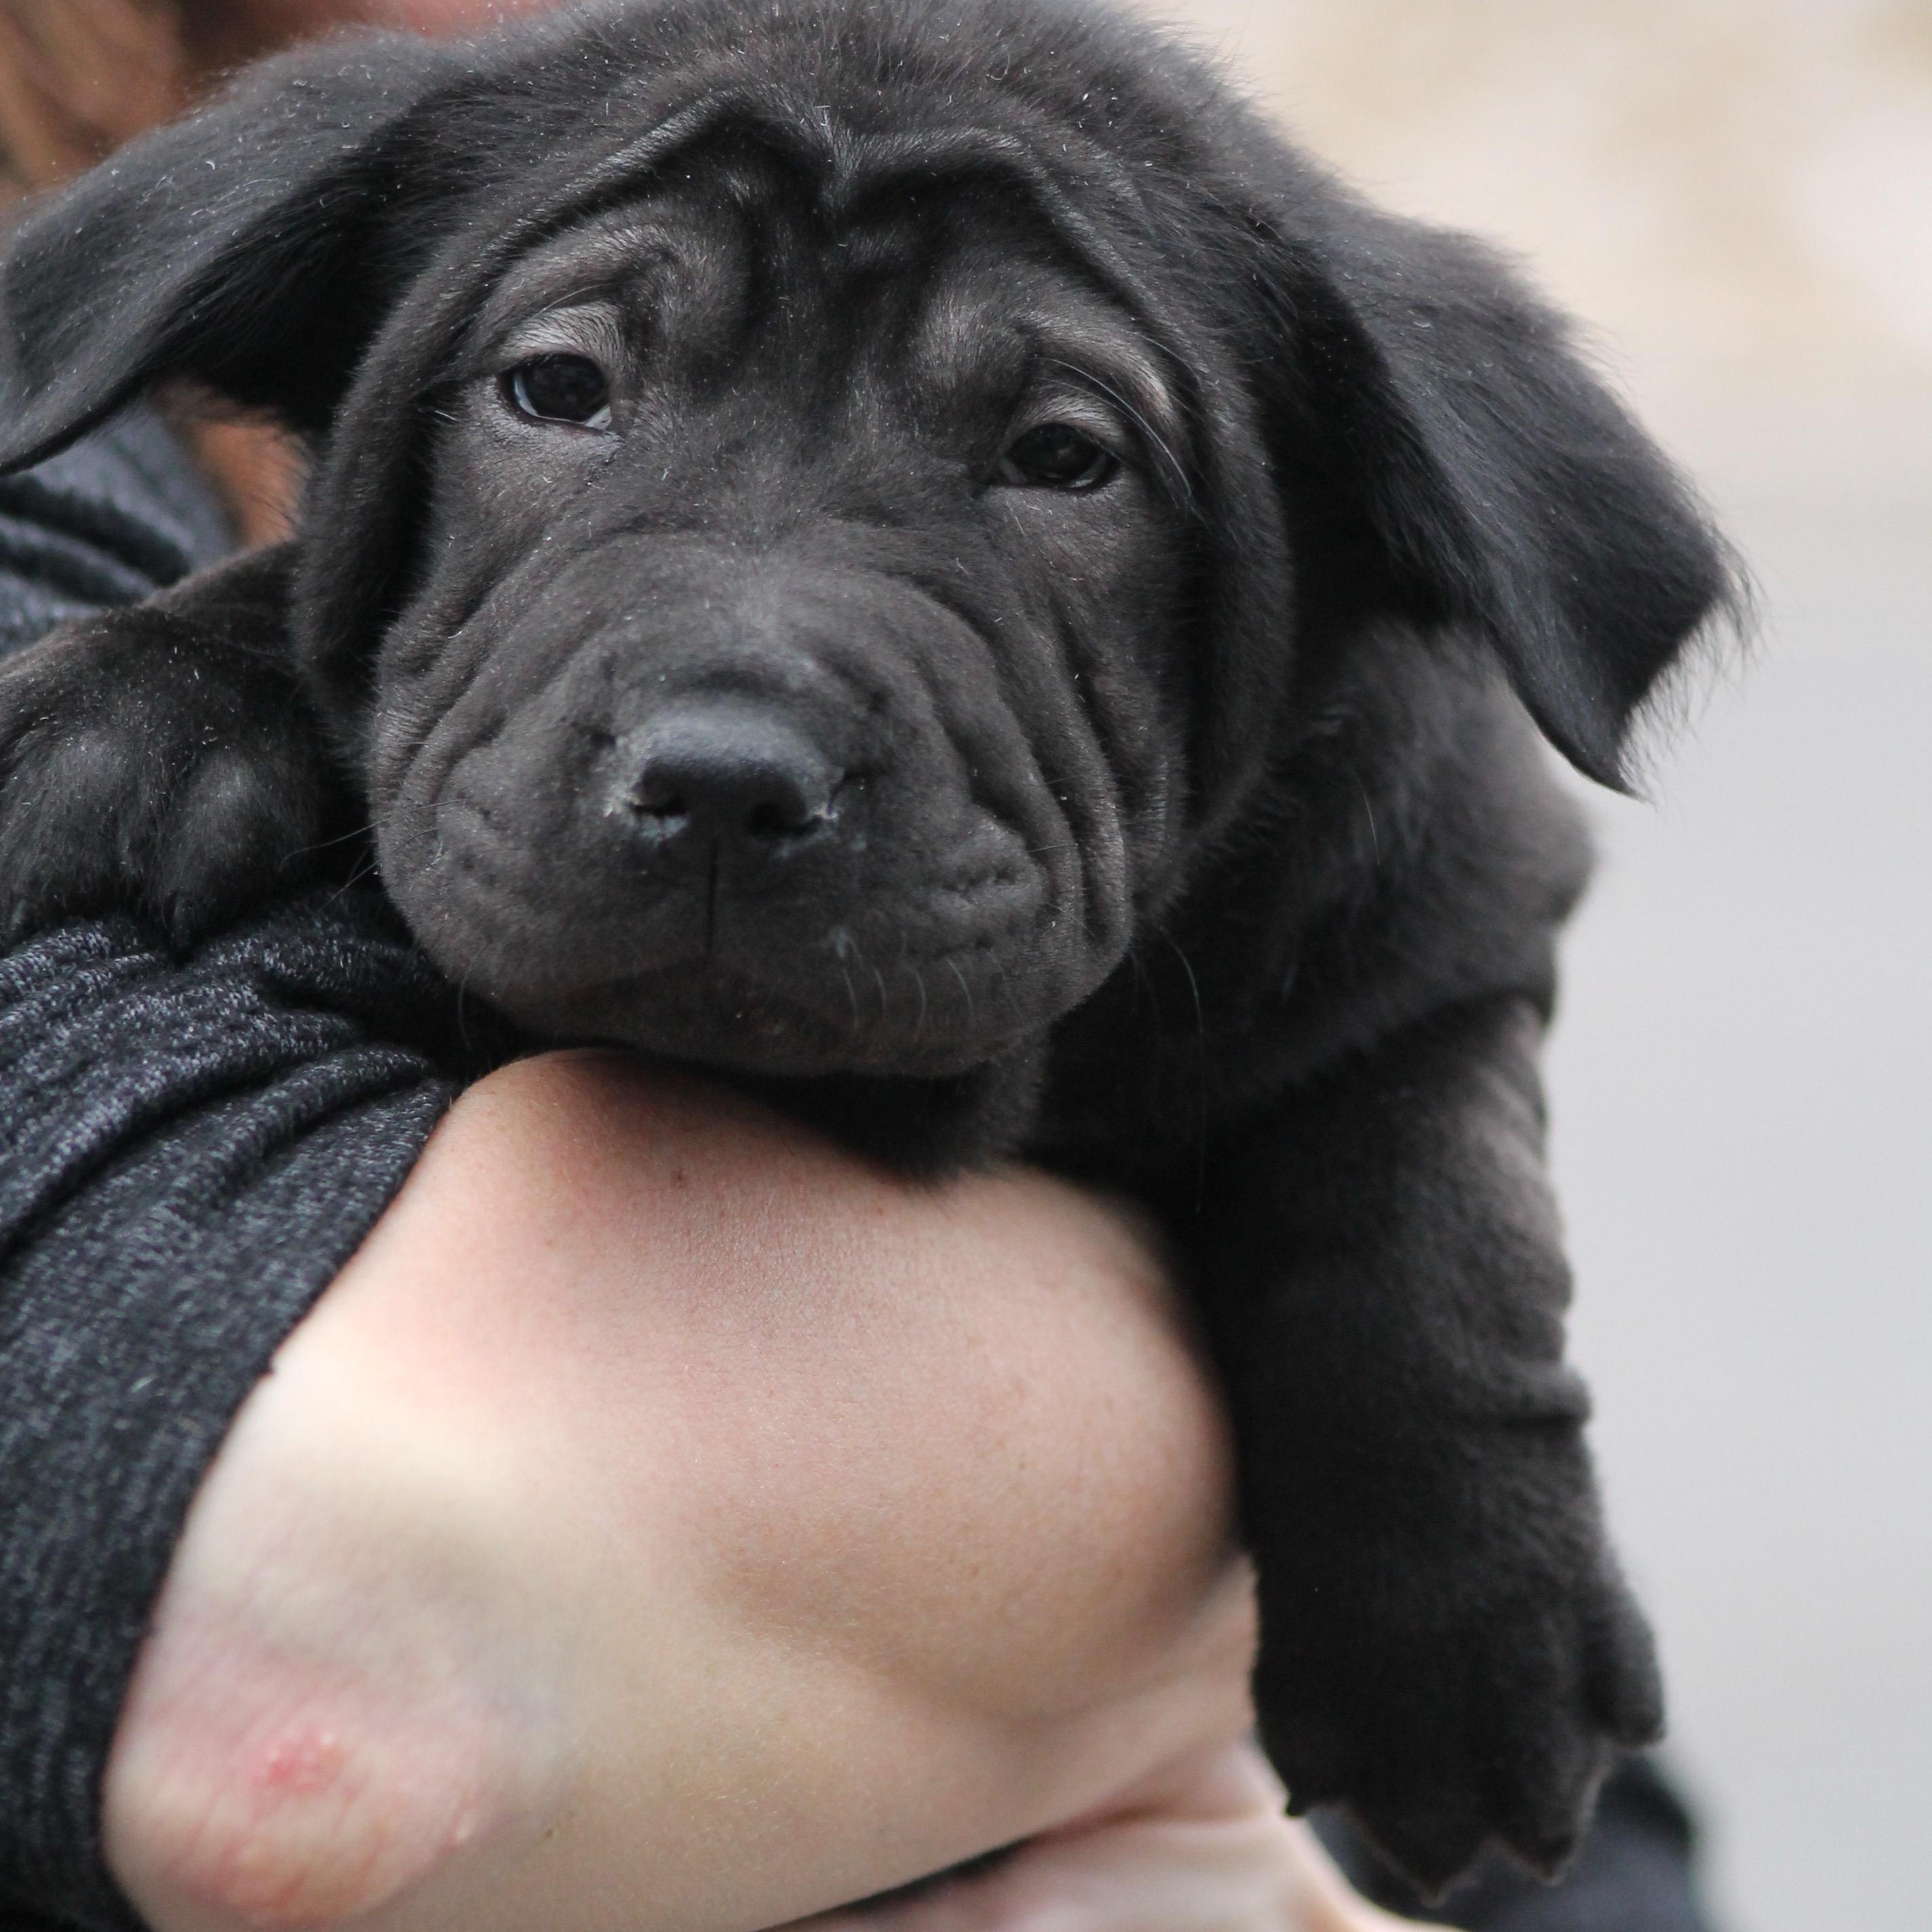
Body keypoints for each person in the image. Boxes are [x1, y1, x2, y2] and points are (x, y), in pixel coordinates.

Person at [0, 5, 1709, 1930]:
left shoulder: (1376, 817)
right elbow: (308, 1729)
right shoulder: (85, 513)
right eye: (566, 390)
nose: (742, 727)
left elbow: (1431, 988)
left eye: (1062, 455)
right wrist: (254, 663)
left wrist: (1431, 1367)